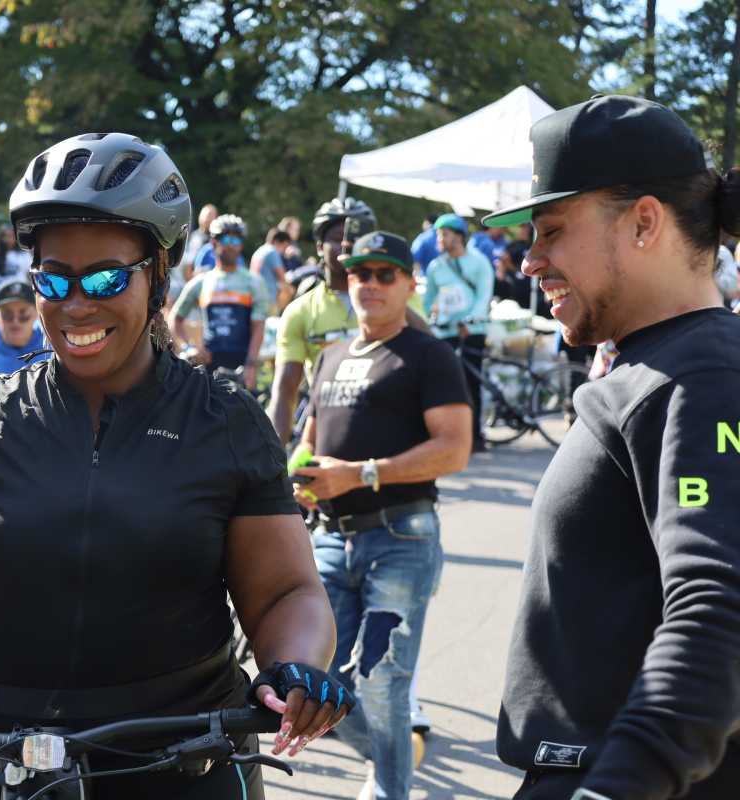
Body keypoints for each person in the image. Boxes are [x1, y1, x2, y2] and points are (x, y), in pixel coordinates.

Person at [0, 132, 348, 800]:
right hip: (6, 762)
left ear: (158, 272)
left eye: (104, 277)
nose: (75, 304)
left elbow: (286, 592)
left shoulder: (224, 421)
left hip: (181, 765)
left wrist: (296, 667)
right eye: (53, 278)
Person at [483, 94, 740, 800]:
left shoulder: (701, 373)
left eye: (552, 230)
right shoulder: (658, 364)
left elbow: (718, 609)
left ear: (644, 222)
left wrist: (619, 785)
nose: (530, 261)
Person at [292, 230, 471, 800]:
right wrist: (301, 483)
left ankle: (391, 787)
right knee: (317, 682)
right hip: (328, 539)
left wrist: (361, 473)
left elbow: (454, 448)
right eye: (358, 273)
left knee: (381, 682)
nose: (368, 284)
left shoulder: (429, 354)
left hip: (401, 537)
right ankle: (391, 760)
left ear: (410, 284)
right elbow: (310, 441)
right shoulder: (331, 356)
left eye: (383, 274)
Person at [269, 197, 430, 445]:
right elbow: (285, 391)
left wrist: (390, 300)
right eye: (337, 238)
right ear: (320, 245)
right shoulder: (299, 311)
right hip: (331, 436)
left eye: (356, 238)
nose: (348, 244)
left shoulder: (400, 294)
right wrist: (272, 459)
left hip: (397, 430)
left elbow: (429, 346)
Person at [171, 213, 270, 389]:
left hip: (242, 364)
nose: (231, 246)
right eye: (226, 240)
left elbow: (258, 327)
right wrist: (188, 348)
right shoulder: (201, 282)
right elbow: (175, 319)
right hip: (209, 365)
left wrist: (251, 365)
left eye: (236, 241)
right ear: (214, 243)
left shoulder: (253, 282)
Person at [421, 213, 494, 451]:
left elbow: (484, 294)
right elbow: (428, 299)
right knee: (445, 383)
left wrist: (471, 320)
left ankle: (474, 436)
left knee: (470, 382)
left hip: (471, 330)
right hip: (445, 331)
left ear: (459, 237)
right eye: (438, 234)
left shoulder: (479, 262)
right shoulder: (435, 266)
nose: (440, 238)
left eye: (445, 234)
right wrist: (426, 320)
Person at [250, 227, 292, 309]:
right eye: (284, 247)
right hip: (268, 300)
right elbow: (282, 277)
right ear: (277, 242)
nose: (284, 251)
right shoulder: (272, 252)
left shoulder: (259, 251)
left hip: (255, 297)